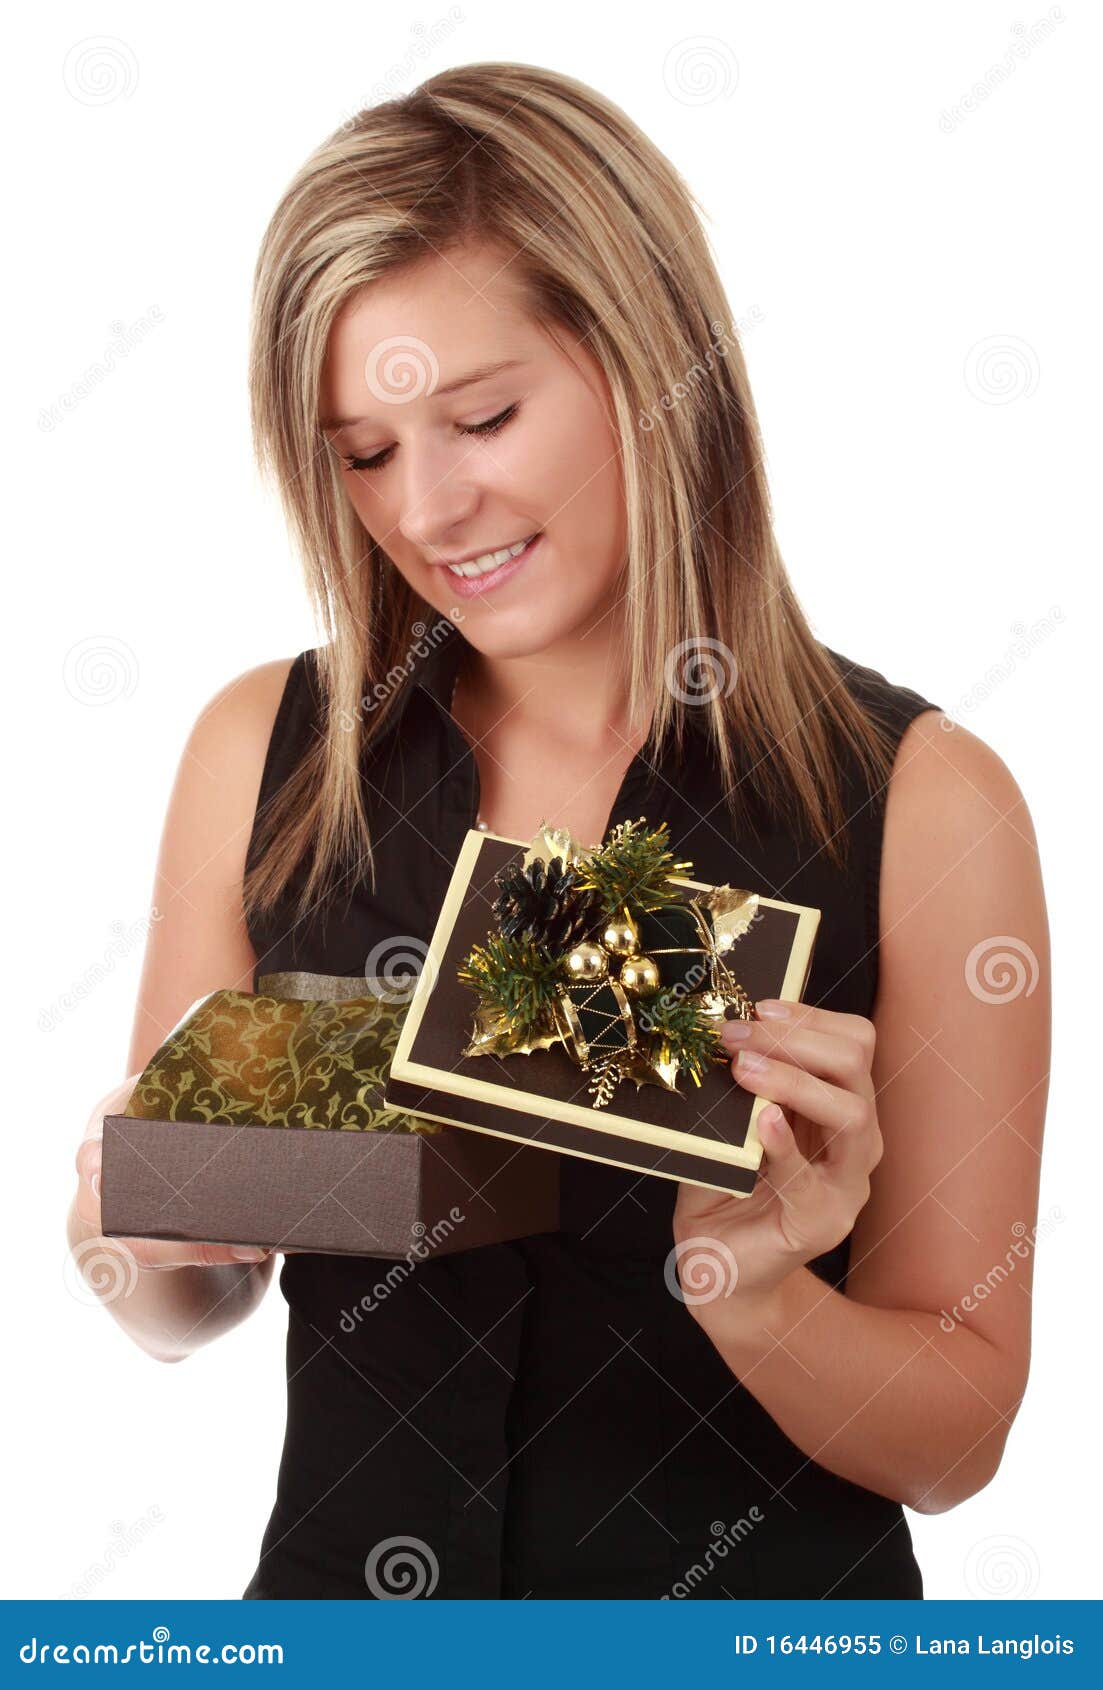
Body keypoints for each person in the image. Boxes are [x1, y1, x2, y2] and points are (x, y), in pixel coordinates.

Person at [67, 63, 1050, 1600]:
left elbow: (959, 1435)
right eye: (365, 452)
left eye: (483, 416)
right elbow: (186, 1296)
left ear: (650, 359)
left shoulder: (928, 800)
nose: (430, 510)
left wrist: (761, 1287)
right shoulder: (264, 749)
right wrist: (135, 1225)